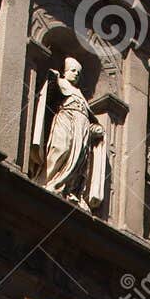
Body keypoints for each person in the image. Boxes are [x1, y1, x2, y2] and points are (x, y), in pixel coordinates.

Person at [31, 57, 105, 211]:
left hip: (82, 128)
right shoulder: (62, 83)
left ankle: (70, 190)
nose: (76, 75)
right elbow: (48, 93)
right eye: (73, 71)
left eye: (79, 73)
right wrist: (52, 78)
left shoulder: (80, 94)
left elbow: (90, 116)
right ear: (65, 72)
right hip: (65, 119)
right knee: (61, 148)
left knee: (79, 159)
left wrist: (95, 128)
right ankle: (48, 180)